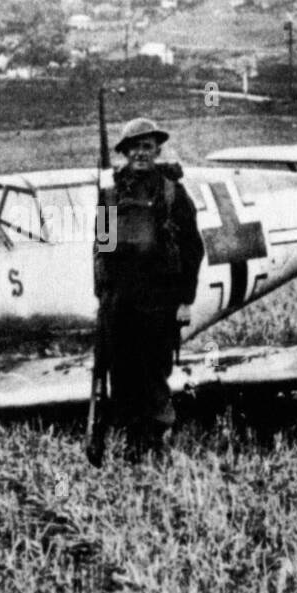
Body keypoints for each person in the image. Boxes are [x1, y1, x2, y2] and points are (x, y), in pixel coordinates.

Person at [90, 118, 204, 463]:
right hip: (120, 299)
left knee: (154, 371)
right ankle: (130, 441)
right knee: (122, 372)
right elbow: (101, 246)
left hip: (159, 298)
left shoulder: (171, 192)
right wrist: (103, 294)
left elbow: (192, 248)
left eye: (147, 146)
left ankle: (155, 442)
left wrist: (185, 299)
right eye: (134, 147)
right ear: (124, 152)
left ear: (156, 151)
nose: (141, 153)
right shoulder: (110, 193)